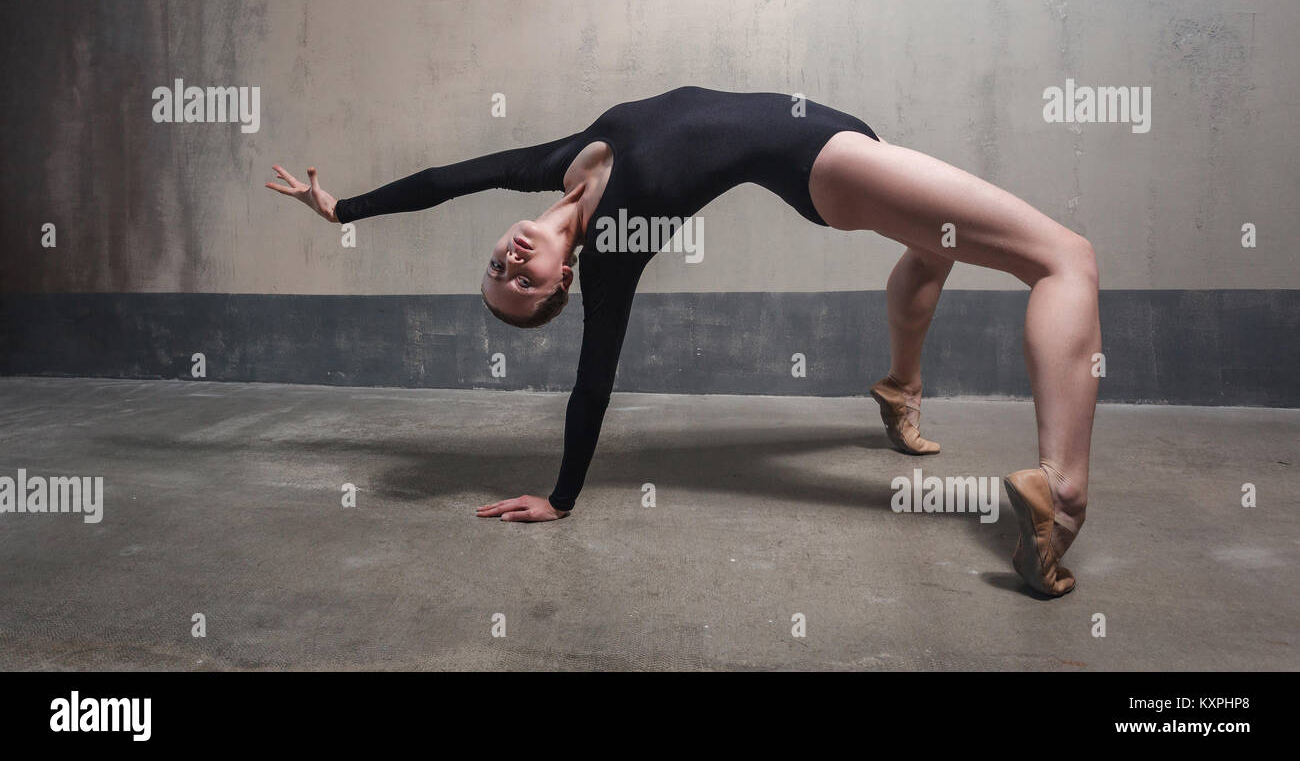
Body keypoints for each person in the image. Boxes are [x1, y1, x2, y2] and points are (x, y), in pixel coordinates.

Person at [267, 86, 1099, 597]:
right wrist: (561, 496)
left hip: (840, 135)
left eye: (497, 266)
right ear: (563, 283)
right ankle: (1060, 497)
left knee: (930, 254)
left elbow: (448, 179)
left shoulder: (562, 165)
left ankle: (898, 392)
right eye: (521, 286)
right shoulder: (616, 243)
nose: (512, 262)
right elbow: (593, 381)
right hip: (823, 163)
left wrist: (344, 212)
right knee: (1064, 259)